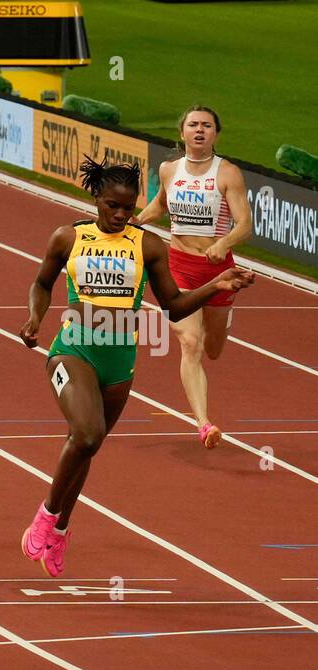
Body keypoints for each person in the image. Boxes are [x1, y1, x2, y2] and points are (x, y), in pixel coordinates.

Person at [19, 159, 254, 575]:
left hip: (120, 361)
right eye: (113, 206)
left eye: (128, 208)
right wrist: (36, 318)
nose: (122, 215)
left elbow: (174, 306)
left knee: (86, 448)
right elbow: (42, 283)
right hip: (74, 349)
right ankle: (47, 513)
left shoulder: (146, 245)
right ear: (96, 199)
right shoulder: (68, 237)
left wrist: (214, 286)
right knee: (87, 434)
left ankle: (61, 531)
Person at [135, 105, 253, 448]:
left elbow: (245, 223)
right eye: (193, 125)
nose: (199, 130)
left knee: (213, 349)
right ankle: (203, 424)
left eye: (206, 126)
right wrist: (138, 221)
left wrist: (225, 243)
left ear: (216, 134)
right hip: (178, 268)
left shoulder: (227, 173)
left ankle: (222, 322)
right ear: (182, 132)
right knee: (190, 343)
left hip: (218, 271)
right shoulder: (169, 169)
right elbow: (160, 204)